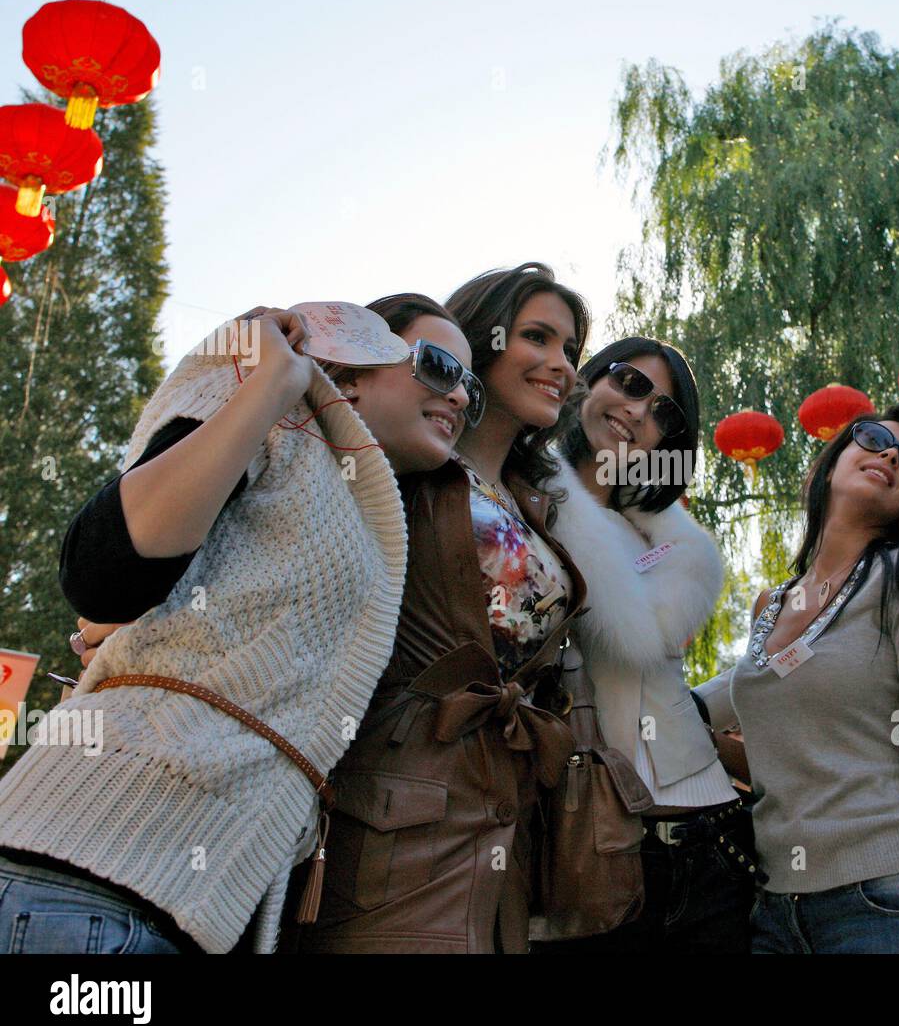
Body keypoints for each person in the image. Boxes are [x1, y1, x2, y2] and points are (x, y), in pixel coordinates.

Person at [0, 295, 476, 953]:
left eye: (471, 387)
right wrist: (272, 382)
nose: (460, 397)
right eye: (440, 366)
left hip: (189, 910)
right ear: (355, 363)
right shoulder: (271, 409)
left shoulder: (367, 510)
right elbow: (102, 572)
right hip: (84, 879)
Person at [280, 263, 593, 953]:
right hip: (396, 816)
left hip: (502, 817)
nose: (561, 364)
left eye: (570, 349)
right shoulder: (401, 465)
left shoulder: (533, 502)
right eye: (537, 337)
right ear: (480, 340)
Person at [694, 406, 899, 954]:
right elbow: (728, 727)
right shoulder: (770, 606)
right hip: (775, 912)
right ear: (830, 465)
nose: (890, 455)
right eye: (874, 438)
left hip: (890, 902)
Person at [530, 337, 754, 953]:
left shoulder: (673, 547)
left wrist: (758, 677)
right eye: (629, 383)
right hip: (590, 851)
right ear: (587, 380)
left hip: (713, 844)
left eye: (664, 412)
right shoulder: (519, 506)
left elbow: (659, 684)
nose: (637, 411)